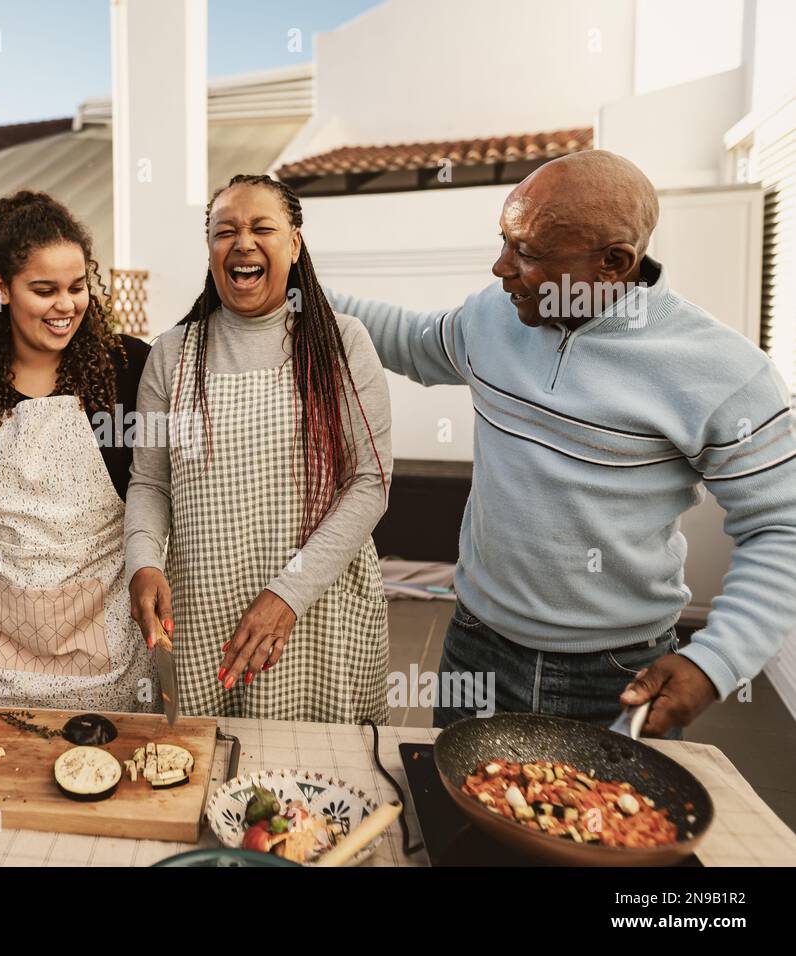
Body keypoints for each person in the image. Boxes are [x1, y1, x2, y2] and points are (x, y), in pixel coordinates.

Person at [327, 149, 796, 737]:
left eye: (526, 253)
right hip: (476, 649)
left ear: (614, 263)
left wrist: (716, 661)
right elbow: (404, 338)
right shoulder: (492, 320)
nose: (501, 268)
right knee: (456, 819)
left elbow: (781, 529)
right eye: (504, 241)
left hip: (617, 676)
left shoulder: (726, 375)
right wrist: (292, 279)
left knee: (596, 827)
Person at [125, 174, 393, 723]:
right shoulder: (172, 355)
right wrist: (144, 562)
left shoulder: (342, 342)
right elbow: (150, 483)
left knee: (318, 793)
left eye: (261, 228)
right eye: (225, 231)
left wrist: (288, 595)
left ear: (294, 244)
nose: (242, 243)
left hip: (318, 612)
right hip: (204, 615)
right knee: (204, 778)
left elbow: (370, 483)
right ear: (210, 249)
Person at [0, 191, 155, 711]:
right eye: (44, 289)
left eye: (77, 287)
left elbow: (157, 487)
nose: (66, 305)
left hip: (105, 637)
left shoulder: (127, 367)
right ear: (2, 290)